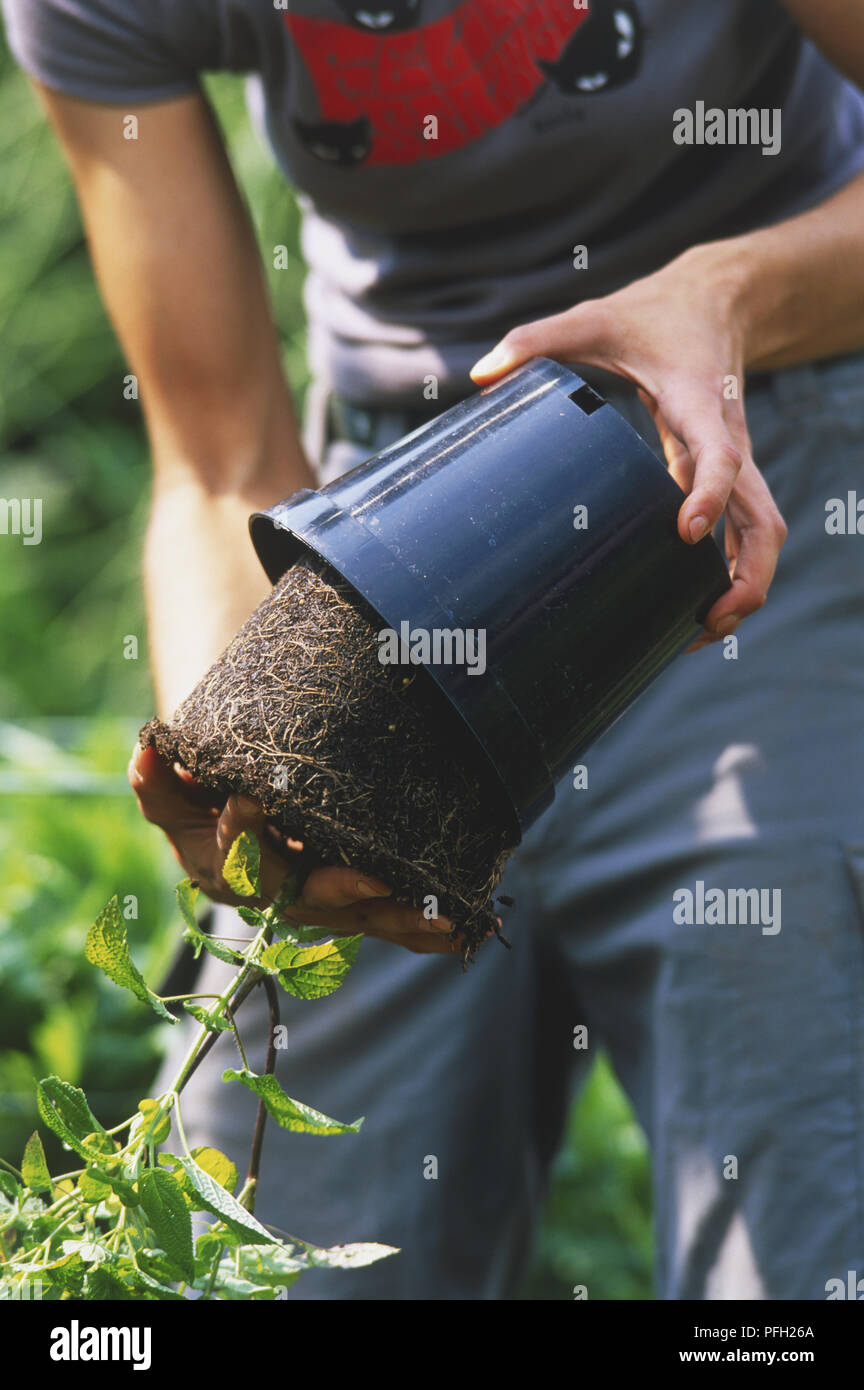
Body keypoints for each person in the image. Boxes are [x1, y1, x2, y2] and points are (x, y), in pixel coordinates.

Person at [5, 0, 864, 1300]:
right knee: (285, 1257)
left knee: (793, 1242)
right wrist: (244, 765)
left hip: (748, 478)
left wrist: (723, 297)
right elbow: (217, 455)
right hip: (389, 521)